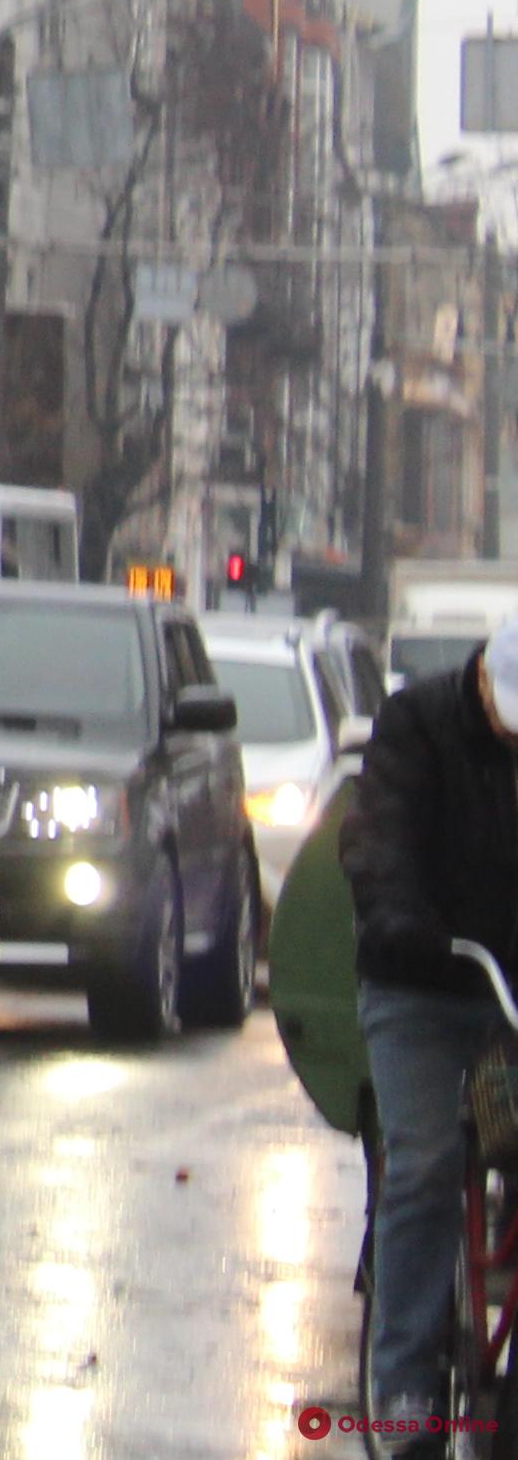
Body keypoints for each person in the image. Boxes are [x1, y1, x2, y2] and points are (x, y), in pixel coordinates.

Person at [337, 604, 518, 1424]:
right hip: (418, 988)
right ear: (484, 677)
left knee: (507, 1148)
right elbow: (380, 841)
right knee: (425, 1162)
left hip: (504, 1006)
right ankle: (404, 1378)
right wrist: (403, 919)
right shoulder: (416, 724)